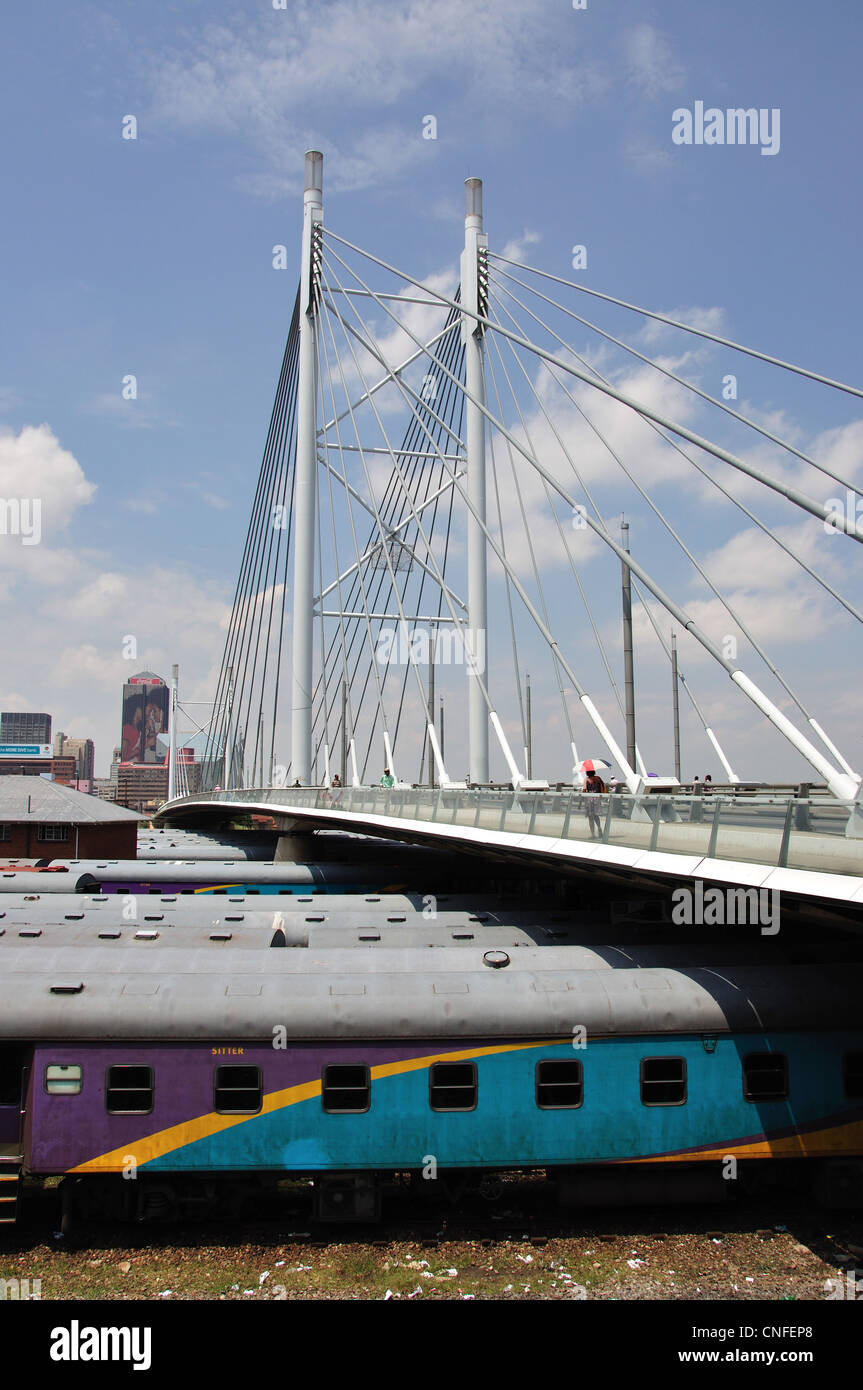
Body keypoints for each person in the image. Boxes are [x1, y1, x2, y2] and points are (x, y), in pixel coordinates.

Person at [584, 768, 606, 839]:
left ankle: (593, 834)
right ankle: (599, 829)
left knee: (590, 817)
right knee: (596, 816)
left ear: (587, 773)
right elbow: (603, 787)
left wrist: (580, 802)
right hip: (597, 799)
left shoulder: (586, 780)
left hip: (589, 800)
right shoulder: (598, 778)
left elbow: (584, 790)